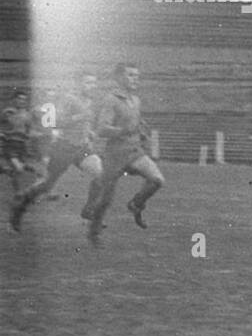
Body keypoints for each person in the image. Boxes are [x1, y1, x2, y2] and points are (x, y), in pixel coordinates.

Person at [9, 73, 103, 231]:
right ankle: (19, 207)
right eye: (88, 83)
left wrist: (89, 133)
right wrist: (79, 117)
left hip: (81, 148)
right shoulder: (69, 99)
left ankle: (88, 210)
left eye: (94, 83)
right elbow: (54, 121)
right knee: (47, 185)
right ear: (78, 83)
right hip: (63, 148)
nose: (92, 86)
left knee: (102, 175)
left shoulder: (91, 101)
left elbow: (87, 123)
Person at [85, 63, 165, 246]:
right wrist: (123, 130)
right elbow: (101, 129)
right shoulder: (111, 100)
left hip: (135, 152)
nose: (135, 78)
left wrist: (142, 132)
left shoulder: (135, 100)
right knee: (106, 200)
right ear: (119, 77)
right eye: (130, 75)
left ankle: (136, 204)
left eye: (137, 75)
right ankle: (93, 233)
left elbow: (136, 123)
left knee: (157, 180)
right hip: (115, 155)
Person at [1, 89, 34, 197]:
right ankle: (18, 191)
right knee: (19, 168)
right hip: (10, 144)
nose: (21, 101)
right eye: (19, 99)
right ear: (14, 99)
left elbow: (28, 130)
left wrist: (29, 138)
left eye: (24, 99)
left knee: (17, 170)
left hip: (22, 145)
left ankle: (16, 190)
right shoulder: (7, 112)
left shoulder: (28, 114)